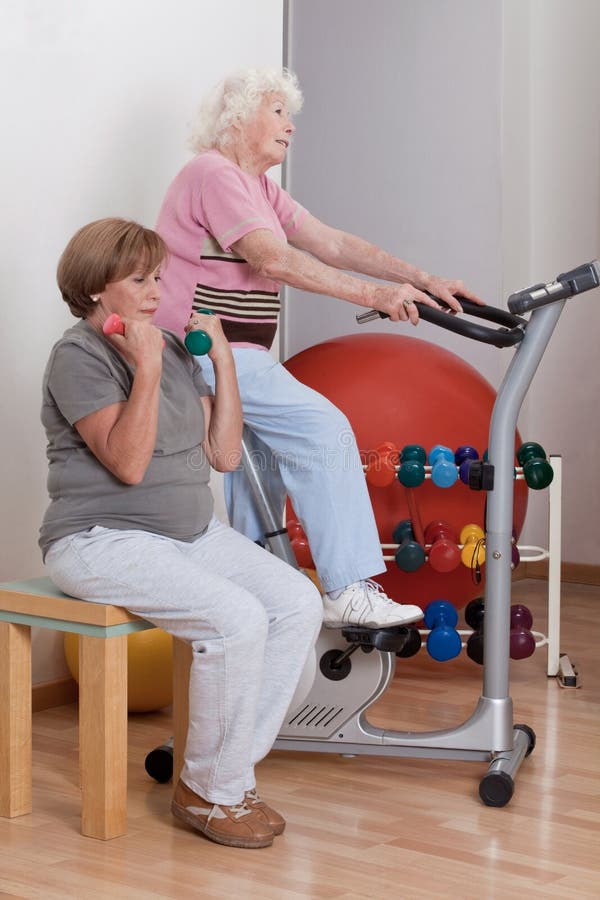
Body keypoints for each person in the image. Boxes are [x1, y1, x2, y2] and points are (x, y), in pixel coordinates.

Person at [153, 67, 484, 630]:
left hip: (232, 358)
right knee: (321, 430)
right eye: (278, 111)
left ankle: (258, 587)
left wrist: (423, 280)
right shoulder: (213, 174)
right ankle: (348, 586)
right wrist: (377, 294)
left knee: (257, 469)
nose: (291, 127)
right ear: (238, 116)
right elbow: (271, 258)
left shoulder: (256, 187)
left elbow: (331, 243)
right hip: (200, 351)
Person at [39, 217, 323, 850]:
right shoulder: (77, 355)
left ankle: (221, 779)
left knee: (299, 603)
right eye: (139, 278)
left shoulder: (169, 349)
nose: (155, 290)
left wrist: (220, 360)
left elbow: (223, 454)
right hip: (100, 538)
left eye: (158, 277)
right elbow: (128, 464)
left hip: (192, 532)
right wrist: (141, 368)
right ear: (94, 289)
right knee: (235, 619)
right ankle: (212, 793)